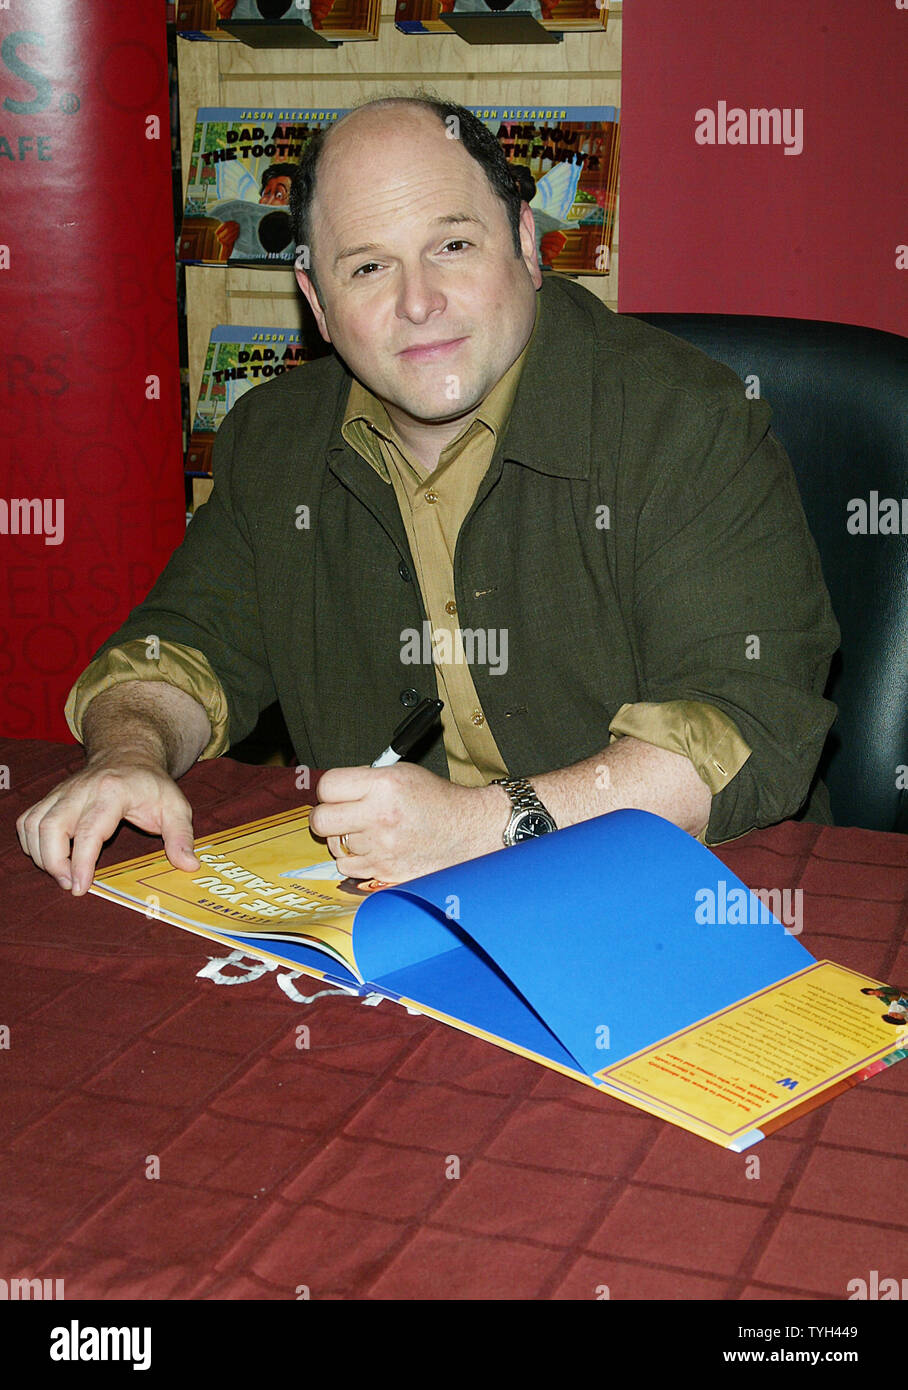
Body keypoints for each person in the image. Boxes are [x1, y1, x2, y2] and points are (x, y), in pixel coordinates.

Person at [17, 95, 839, 898]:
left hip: (683, 894)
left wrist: (483, 826)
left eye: (451, 245)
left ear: (525, 241)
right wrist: (127, 752)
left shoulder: (686, 421)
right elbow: (180, 648)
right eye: (369, 267)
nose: (418, 302)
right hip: (395, 919)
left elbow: (742, 721)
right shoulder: (275, 440)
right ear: (318, 305)